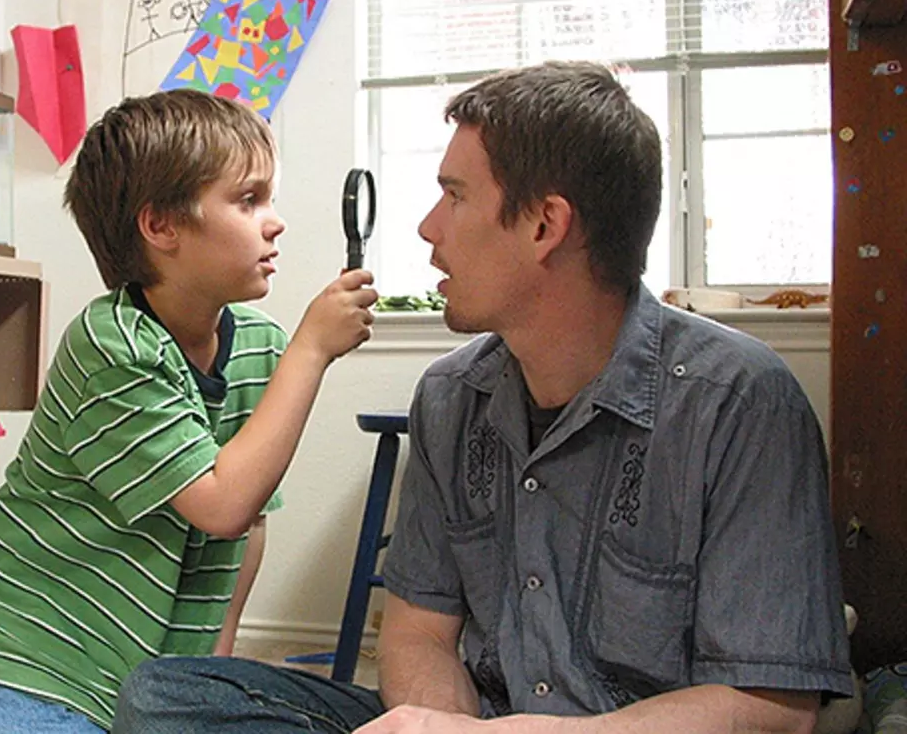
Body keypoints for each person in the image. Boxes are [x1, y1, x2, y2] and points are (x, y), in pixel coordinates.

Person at [111, 61, 852, 733]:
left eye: (454, 196)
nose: (429, 229)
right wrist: (438, 724)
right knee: (166, 695)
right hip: (485, 717)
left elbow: (771, 710)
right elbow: (418, 632)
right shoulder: (452, 396)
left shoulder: (740, 402)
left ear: (543, 224)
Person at [0, 89, 379, 733]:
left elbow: (249, 520)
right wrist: (312, 350)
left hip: (141, 662)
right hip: (30, 660)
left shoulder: (259, 347)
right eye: (249, 199)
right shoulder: (112, 346)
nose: (274, 221)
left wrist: (213, 667)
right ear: (162, 226)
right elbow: (221, 505)